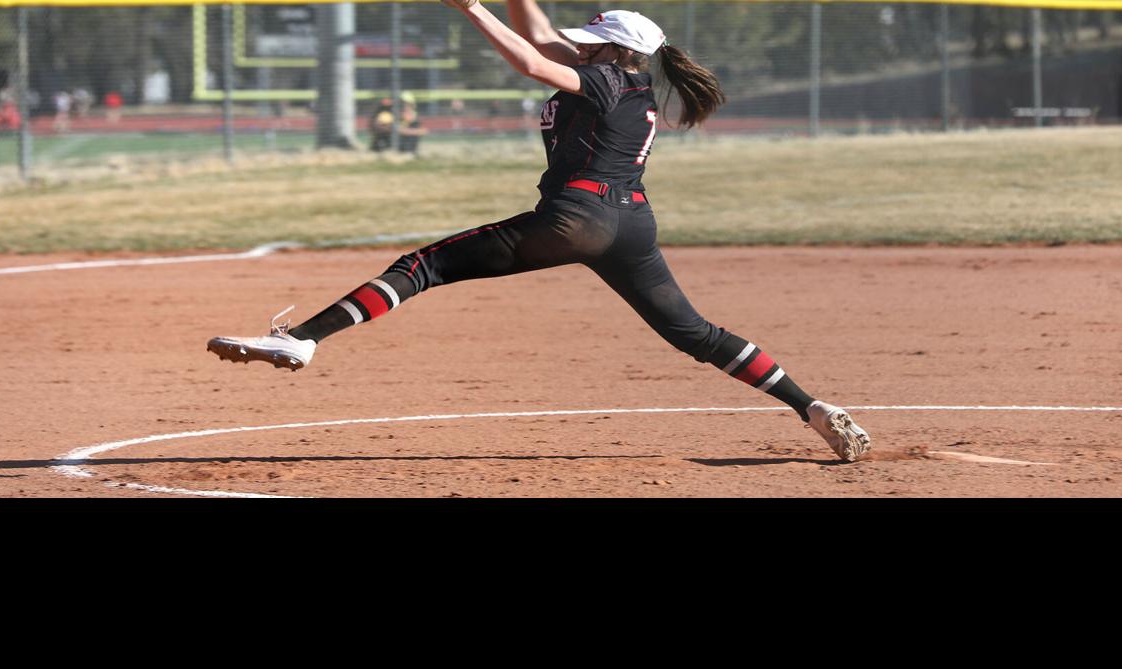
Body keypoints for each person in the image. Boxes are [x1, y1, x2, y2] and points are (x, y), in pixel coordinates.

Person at [208, 4, 870, 462]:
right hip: (631, 224)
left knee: (423, 266)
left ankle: (300, 342)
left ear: (614, 50)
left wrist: (470, 10)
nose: (580, 45)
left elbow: (530, 60)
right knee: (693, 333)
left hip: (573, 219)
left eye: (592, 41)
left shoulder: (604, 78)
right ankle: (810, 407)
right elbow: (539, 32)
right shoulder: (629, 81)